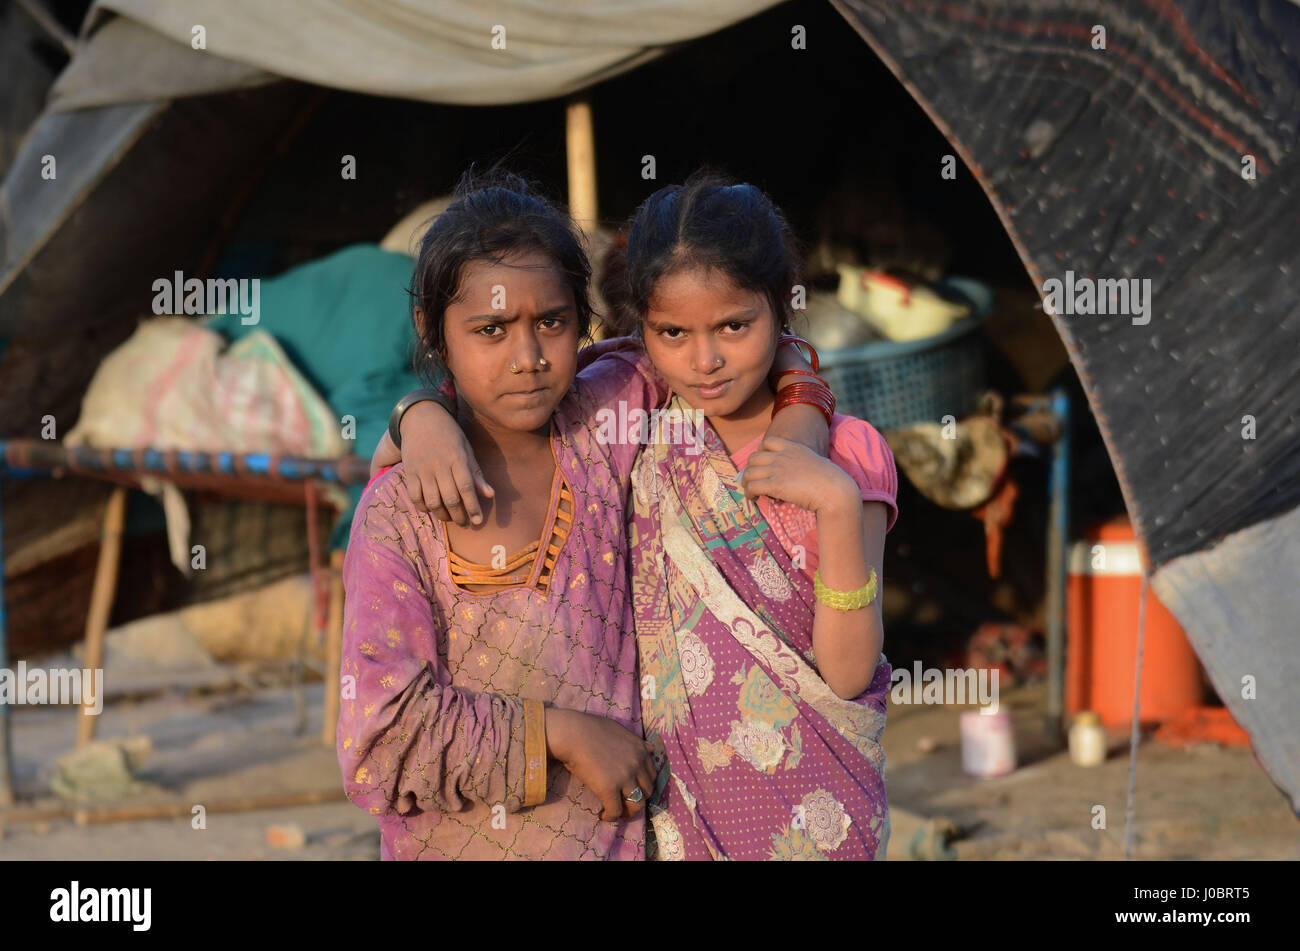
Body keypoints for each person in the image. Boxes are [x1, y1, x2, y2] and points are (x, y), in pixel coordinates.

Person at [386, 173, 898, 860]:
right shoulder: (638, 412)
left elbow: (847, 673)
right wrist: (420, 414)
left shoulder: (849, 456)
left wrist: (833, 502)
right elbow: (478, 402)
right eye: (672, 331)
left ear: (781, 308)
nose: (706, 358)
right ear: (641, 328)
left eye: (735, 326)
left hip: (814, 818)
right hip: (673, 825)